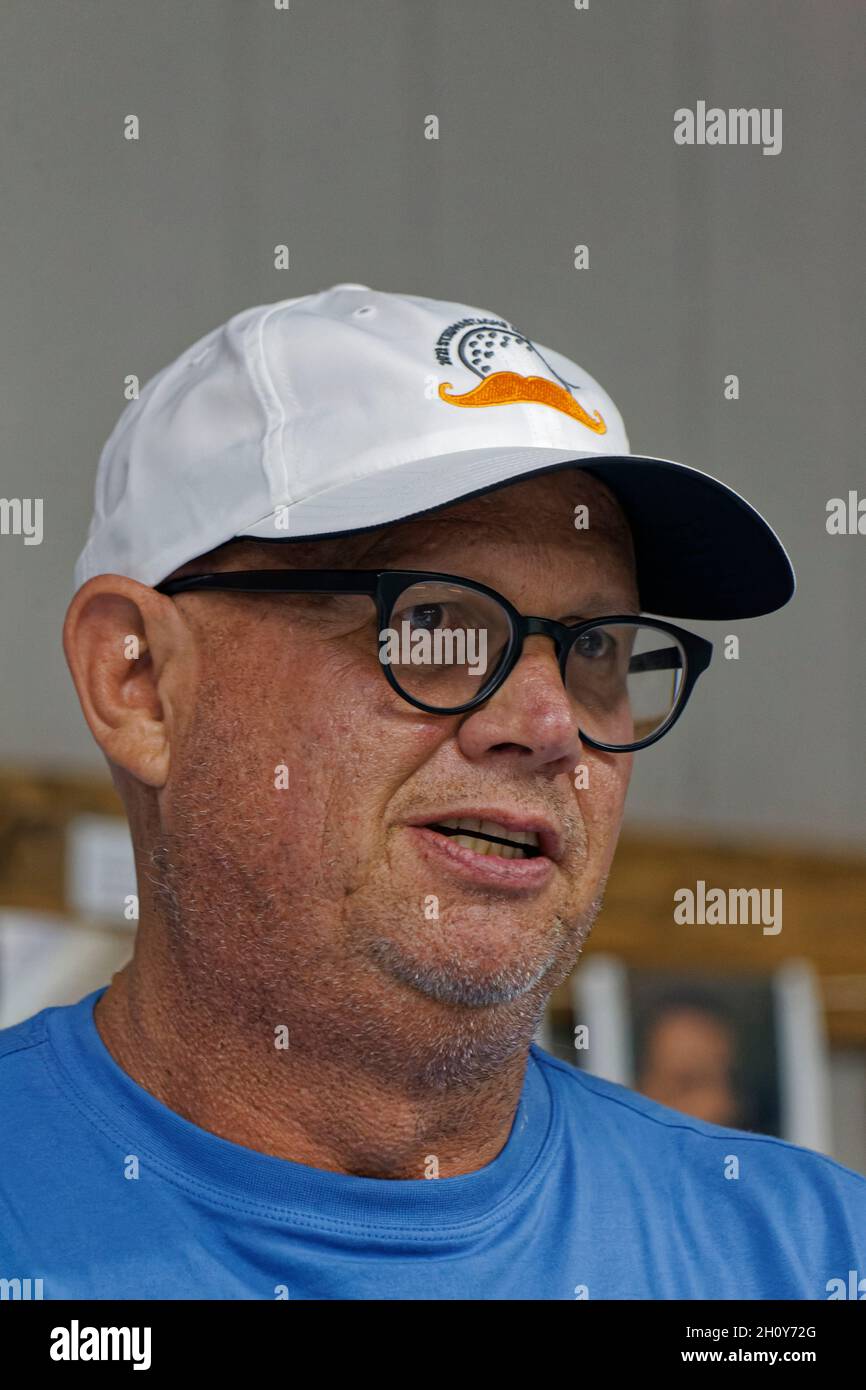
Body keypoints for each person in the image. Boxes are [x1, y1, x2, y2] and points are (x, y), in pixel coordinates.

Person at [1, 285, 862, 1300]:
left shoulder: (801, 1265)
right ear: (139, 680)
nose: (547, 725)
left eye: (592, 646)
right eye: (434, 626)